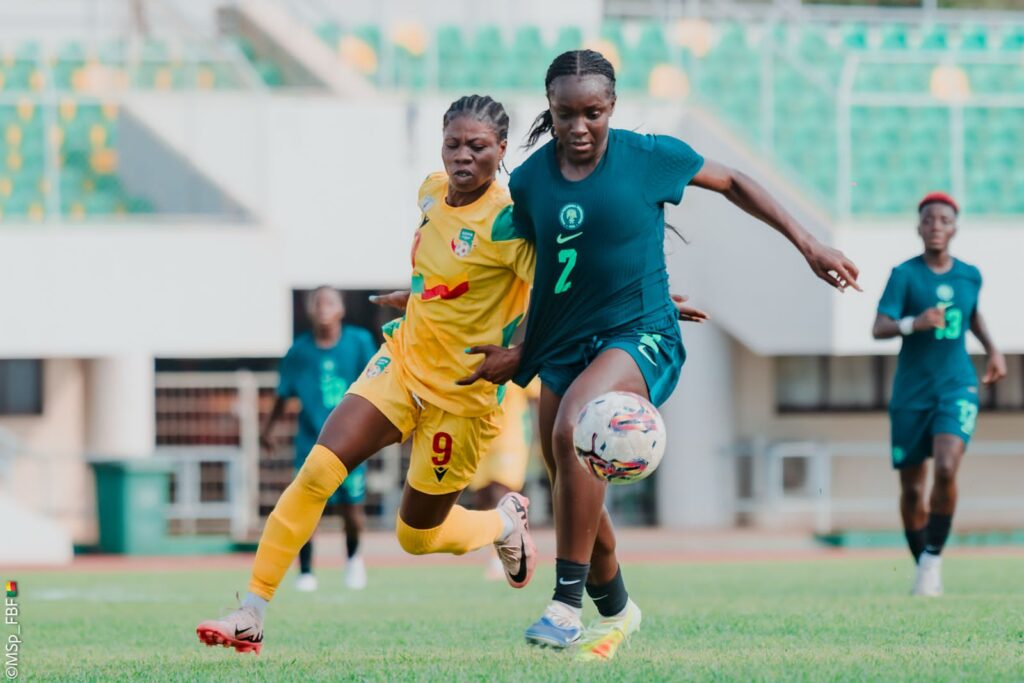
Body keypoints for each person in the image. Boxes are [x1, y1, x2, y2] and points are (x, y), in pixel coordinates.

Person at [460, 49, 861, 661]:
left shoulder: (648, 157)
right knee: (571, 482)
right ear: (550, 109)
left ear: (612, 107)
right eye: (566, 114)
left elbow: (734, 182)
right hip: (562, 344)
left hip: (640, 333)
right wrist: (517, 346)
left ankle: (564, 607)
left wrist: (809, 245)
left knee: (576, 429)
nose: (579, 126)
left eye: (593, 113)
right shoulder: (531, 181)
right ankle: (618, 611)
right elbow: (540, 274)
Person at [196, 95, 538, 655]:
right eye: (453, 143)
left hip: (463, 396)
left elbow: (561, 295)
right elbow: (449, 268)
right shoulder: (430, 191)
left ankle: (502, 524)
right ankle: (251, 612)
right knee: (316, 472)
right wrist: (422, 298)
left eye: (478, 147)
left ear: (501, 151)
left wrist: (521, 354)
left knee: (416, 536)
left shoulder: (508, 224)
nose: (462, 156)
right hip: (401, 364)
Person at [872, 192, 1005, 597]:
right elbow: (879, 327)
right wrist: (914, 323)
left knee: (946, 467)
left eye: (944, 220)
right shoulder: (904, 275)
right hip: (912, 392)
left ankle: (932, 559)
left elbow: (972, 314)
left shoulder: (969, 275)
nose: (935, 226)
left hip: (956, 384)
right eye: (928, 219)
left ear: (954, 228)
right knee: (913, 489)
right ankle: (923, 566)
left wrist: (993, 349)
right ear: (918, 227)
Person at [260, 286, 377, 592]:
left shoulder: (359, 342)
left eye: (330, 302)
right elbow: (283, 394)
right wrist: (267, 429)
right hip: (311, 443)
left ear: (341, 309)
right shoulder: (299, 351)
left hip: (351, 442)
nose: (324, 307)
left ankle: (353, 561)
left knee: (351, 508)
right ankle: (306, 571)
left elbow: (378, 384)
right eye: (318, 303)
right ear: (310, 310)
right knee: (305, 507)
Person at [468, 380, 540, 580]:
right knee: (483, 499)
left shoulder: (517, 365)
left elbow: (538, 397)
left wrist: (544, 436)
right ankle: (499, 552)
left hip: (510, 440)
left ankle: (507, 556)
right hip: (479, 441)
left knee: (501, 495)